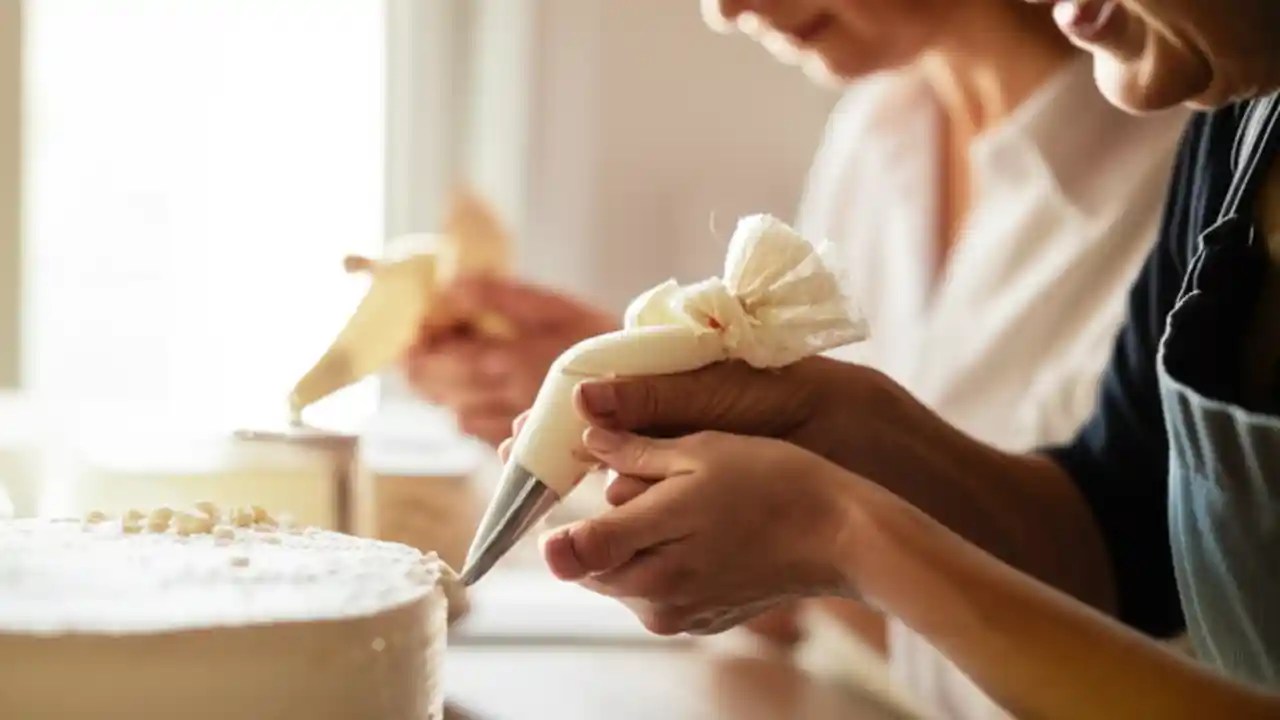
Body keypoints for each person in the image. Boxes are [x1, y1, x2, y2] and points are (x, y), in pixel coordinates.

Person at [408, 1, 1185, 715]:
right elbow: (801, 611)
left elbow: (1127, 646)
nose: (725, 10)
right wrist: (652, 426)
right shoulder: (879, 133)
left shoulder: (1196, 179)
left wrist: (821, 531)